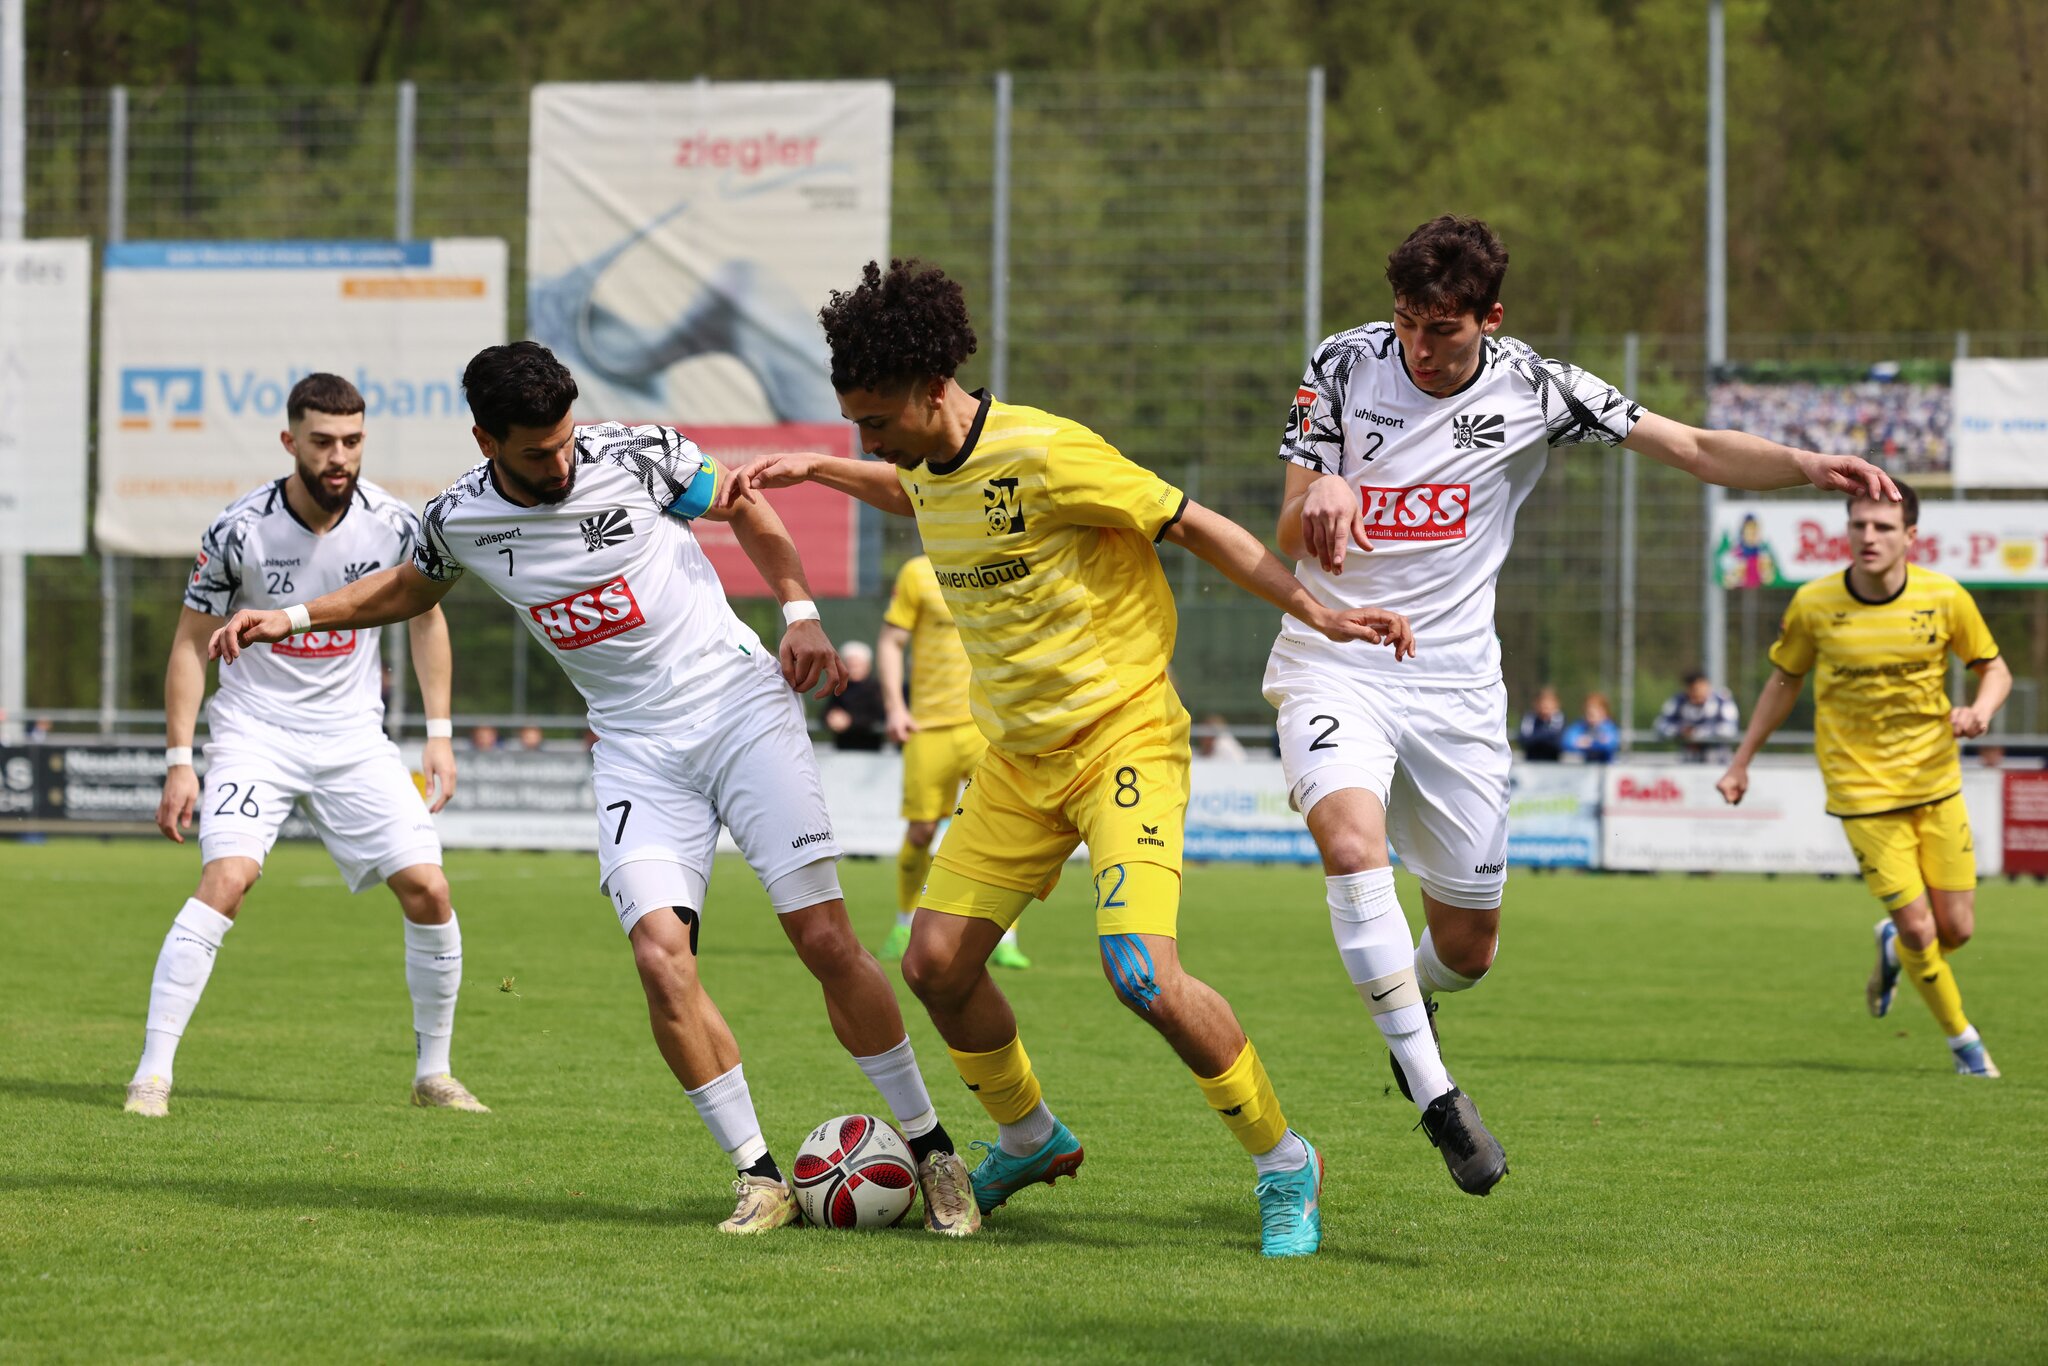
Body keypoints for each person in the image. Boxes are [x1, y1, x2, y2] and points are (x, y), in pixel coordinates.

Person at [722, 258, 1417, 1259]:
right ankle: (1028, 1136)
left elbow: (1195, 524)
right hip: (1017, 759)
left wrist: (1322, 612)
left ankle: (1282, 1160)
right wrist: (825, 468)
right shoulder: (920, 454)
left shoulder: (1048, 453)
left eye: (872, 420)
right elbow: (915, 488)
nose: (864, 438)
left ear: (930, 390)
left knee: (1138, 971)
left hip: (1121, 735)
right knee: (933, 962)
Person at [208, 342, 980, 1237]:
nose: (560, 462)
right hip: (636, 751)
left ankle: (934, 1154)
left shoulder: (640, 453)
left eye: (565, 440)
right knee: (660, 957)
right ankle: (758, 1177)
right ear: (485, 439)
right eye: (536, 452)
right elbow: (407, 591)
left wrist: (800, 614)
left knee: (822, 937)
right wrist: (291, 616)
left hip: (740, 710)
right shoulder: (458, 515)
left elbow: (745, 506)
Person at [1270, 214, 1898, 1191]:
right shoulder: (1345, 364)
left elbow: (1688, 446)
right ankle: (1435, 1093)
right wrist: (1326, 498)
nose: (1419, 349)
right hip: (1334, 657)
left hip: (1456, 688)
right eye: (1406, 323)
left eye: (1443, 329)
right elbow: (1286, 521)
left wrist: (1805, 467)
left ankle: (1413, 1003)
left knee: (1468, 947)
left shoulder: (1538, 386)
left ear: (1490, 318)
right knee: (1350, 848)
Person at [130, 373, 477, 1119]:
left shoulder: (394, 524)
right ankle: (151, 1076)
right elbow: (191, 646)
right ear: (291, 442)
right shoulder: (239, 530)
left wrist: (440, 736)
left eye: (351, 441)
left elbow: (426, 618)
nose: (338, 457)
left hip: (354, 738)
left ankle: (434, 1074)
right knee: (227, 878)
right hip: (255, 732)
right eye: (322, 441)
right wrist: (179, 759)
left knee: (430, 889)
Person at [1717, 483, 2008, 1078]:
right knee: (1920, 925)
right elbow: (1783, 684)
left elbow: (1994, 669)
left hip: (1936, 781)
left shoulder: (1945, 598)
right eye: (1859, 525)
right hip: (1862, 792)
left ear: (1910, 538)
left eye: (1882, 527)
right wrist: (1742, 758)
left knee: (1956, 929)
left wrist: (1981, 710)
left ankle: (1894, 951)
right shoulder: (1815, 604)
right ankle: (1967, 1048)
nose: (1869, 536)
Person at [875, 554, 1029, 970]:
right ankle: (905, 922)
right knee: (922, 830)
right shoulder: (917, 572)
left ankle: (1006, 937)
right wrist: (895, 707)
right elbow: (892, 640)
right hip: (929, 726)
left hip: (989, 727)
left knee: (1004, 831)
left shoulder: (1004, 565)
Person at [1655, 670, 1740, 763]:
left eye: (1697, 689)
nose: (1694, 695)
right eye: (1690, 690)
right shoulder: (1679, 700)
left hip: (1718, 764)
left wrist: (1697, 733)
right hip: (1689, 764)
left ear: (1706, 685)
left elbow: (1730, 729)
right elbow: (1660, 725)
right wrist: (1679, 731)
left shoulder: (1722, 700)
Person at [819, 640, 886, 751]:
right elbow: (826, 711)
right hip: (842, 749)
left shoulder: (877, 689)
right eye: (850, 665)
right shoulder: (839, 688)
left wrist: (850, 721)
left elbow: (879, 714)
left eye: (857, 665)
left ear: (867, 666)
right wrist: (831, 717)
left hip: (871, 751)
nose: (853, 669)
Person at [1563, 693, 1620, 764]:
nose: (1591, 717)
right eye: (1588, 713)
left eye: (1594, 713)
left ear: (1604, 712)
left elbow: (1610, 745)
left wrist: (1591, 743)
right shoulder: (1580, 726)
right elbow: (1567, 742)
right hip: (1588, 766)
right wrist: (1577, 743)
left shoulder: (1609, 727)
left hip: (1607, 768)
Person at [1517, 686, 1566, 761]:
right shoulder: (1530, 718)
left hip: (1553, 763)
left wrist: (1536, 737)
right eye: (1542, 704)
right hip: (1531, 762)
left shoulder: (1559, 719)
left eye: (1549, 704)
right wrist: (1546, 735)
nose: (1545, 707)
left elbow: (1558, 742)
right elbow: (1523, 740)